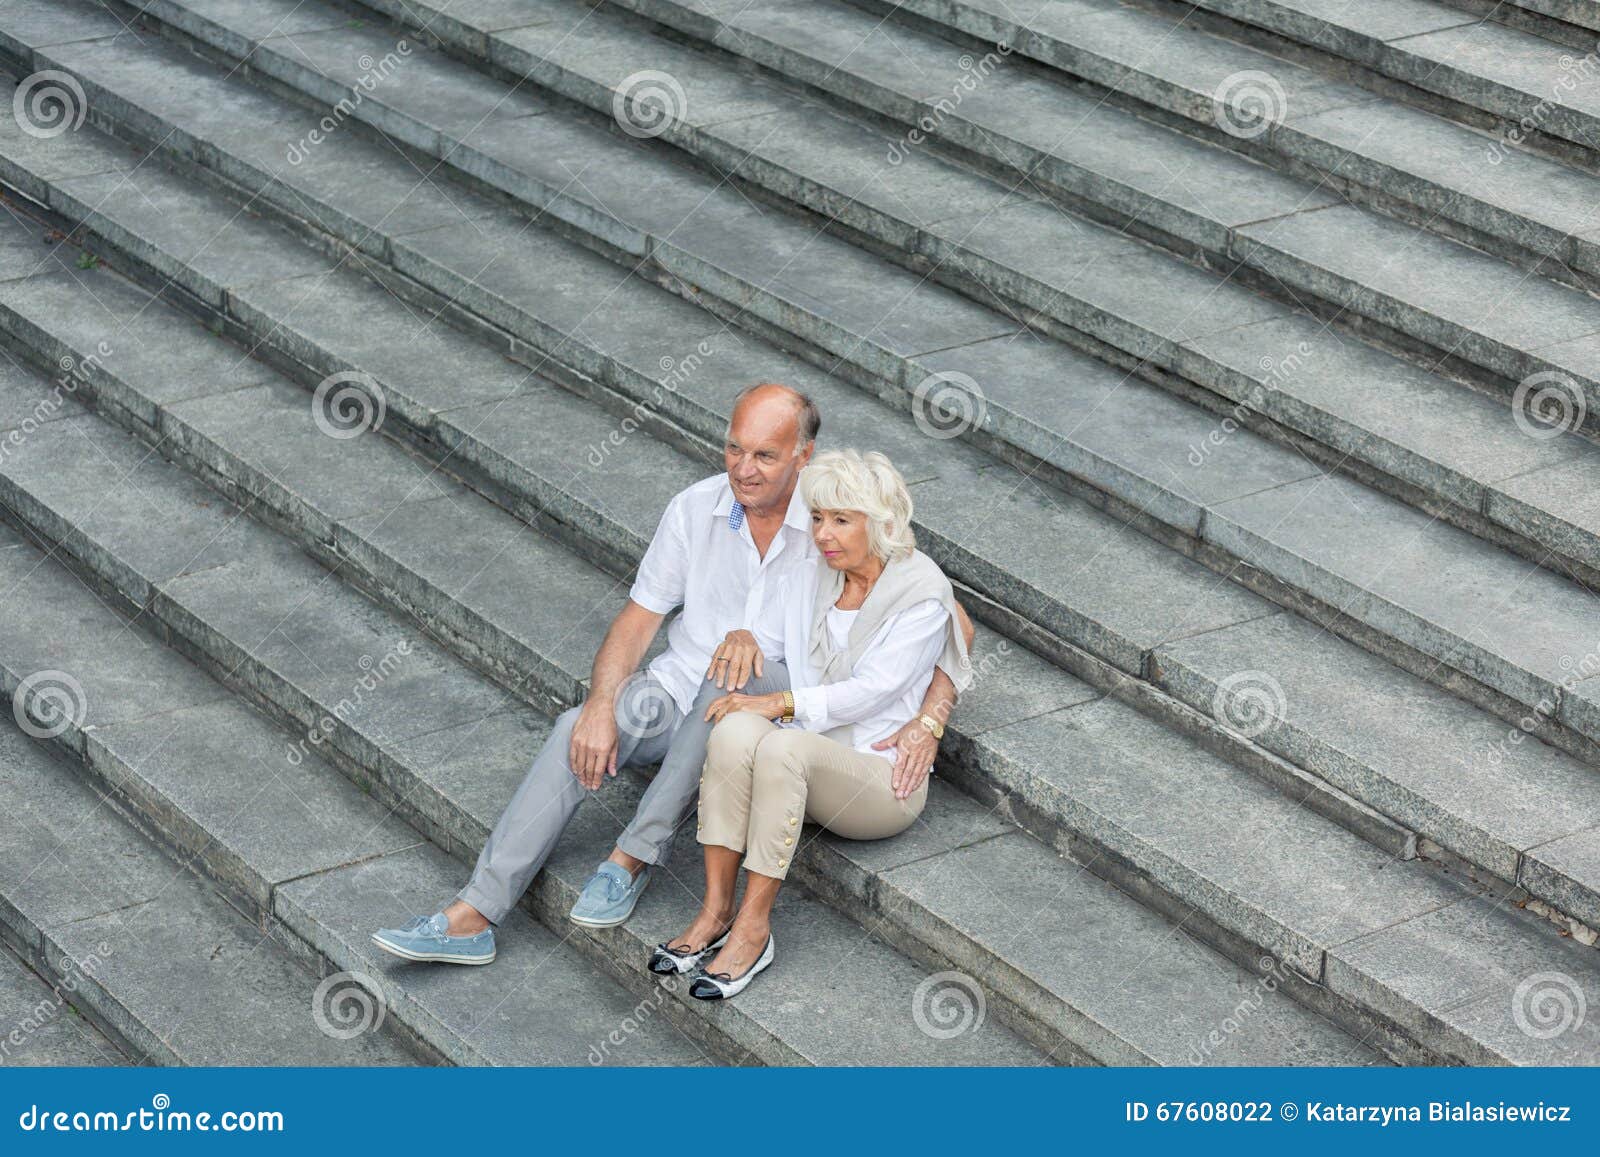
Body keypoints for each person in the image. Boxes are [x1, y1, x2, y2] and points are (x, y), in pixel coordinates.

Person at [371, 388, 969, 965]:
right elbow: (637, 621)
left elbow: (952, 622)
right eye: (735, 448)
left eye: (764, 454)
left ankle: (632, 855)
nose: (744, 468)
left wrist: (930, 719)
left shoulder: (830, 521)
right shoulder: (694, 509)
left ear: (802, 456)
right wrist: (602, 705)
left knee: (732, 675)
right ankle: (475, 913)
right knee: (573, 727)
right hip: (677, 689)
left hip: (772, 696)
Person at [649, 450, 971, 999]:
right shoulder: (812, 575)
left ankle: (754, 931)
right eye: (819, 518)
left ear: (884, 523)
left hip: (879, 781)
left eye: (842, 520)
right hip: (807, 752)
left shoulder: (920, 593)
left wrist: (777, 704)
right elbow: (771, 641)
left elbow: (872, 690)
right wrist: (747, 636)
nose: (823, 534)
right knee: (731, 731)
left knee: (780, 747)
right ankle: (716, 910)